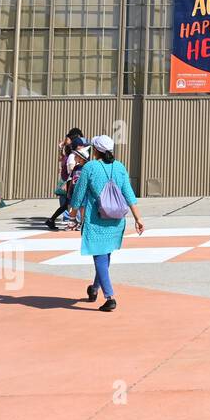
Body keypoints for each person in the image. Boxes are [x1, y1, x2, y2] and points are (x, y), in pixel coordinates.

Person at [70, 134, 144, 312]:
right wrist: (138, 218)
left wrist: (72, 215)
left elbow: (79, 193)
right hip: (116, 219)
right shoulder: (119, 167)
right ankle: (94, 288)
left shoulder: (90, 167)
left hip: (96, 219)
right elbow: (129, 194)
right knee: (104, 255)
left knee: (99, 256)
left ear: (96, 150)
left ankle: (110, 297)